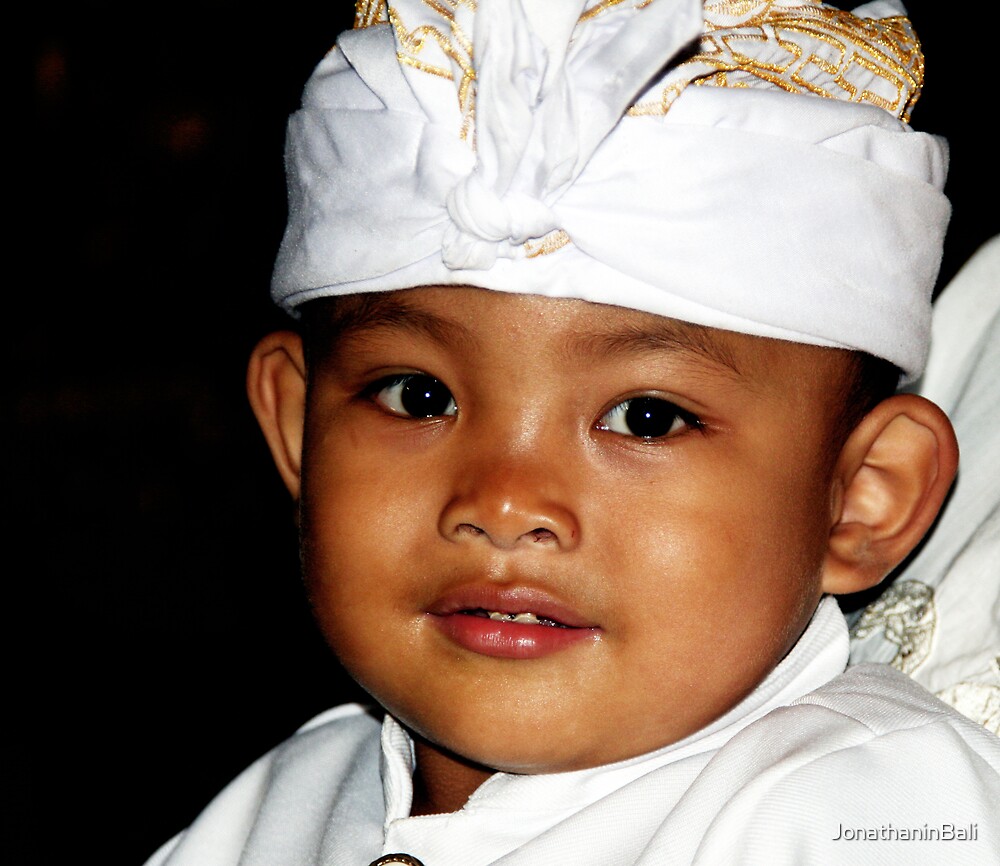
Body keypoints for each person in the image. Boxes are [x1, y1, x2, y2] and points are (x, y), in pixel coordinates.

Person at [146, 0, 1000, 863]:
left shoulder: (867, 807)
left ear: (859, 498)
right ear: (299, 428)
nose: (504, 504)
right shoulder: (273, 809)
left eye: (645, 418)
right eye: (418, 397)